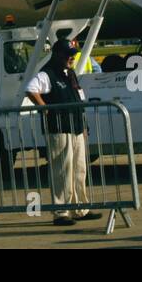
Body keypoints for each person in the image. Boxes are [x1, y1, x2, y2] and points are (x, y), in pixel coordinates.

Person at [26, 37, 95, 226]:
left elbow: (79, 99)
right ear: (57, 55)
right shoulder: (47, 73)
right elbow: (31, 90)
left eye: (73, 55)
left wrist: (84, 126)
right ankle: (61, 212)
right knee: (62, 171)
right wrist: (44, 107)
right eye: (68, 55)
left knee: (79, 170)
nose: (71, 58)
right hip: (59, 129)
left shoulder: (70, 73)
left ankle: (80, 208)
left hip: (76, 128)